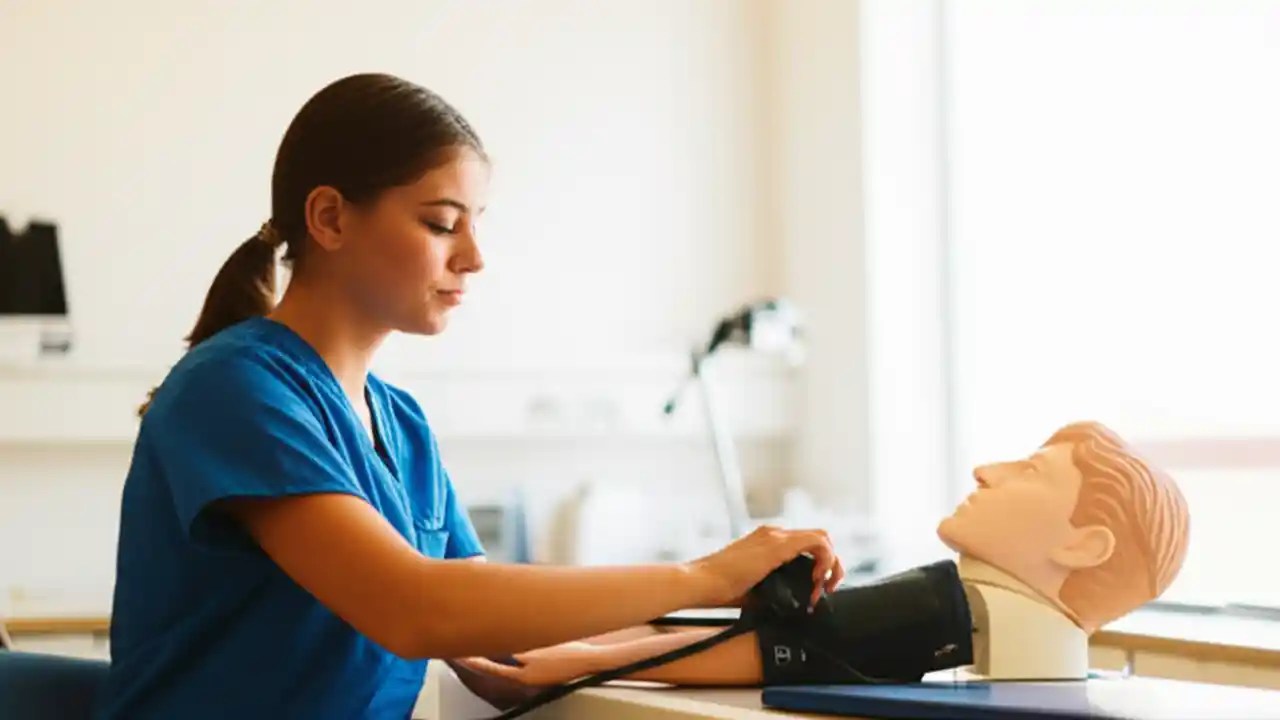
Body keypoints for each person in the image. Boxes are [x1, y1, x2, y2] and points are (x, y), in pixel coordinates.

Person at [97, 73, 843, 719]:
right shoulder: (236, 388)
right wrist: (703, 575)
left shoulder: (402, 425)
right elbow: (417, 608)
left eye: (476, 224)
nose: (475, 257)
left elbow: (503, 642)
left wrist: (740, 610)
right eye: (441, 223)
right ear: (328, 218)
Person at [463, 420, 1190, 688]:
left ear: (1081, 545)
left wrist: (582, 660)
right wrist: (573, 642)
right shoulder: (958, 605)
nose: (987, 472)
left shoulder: (945, 607)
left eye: (1029, 472)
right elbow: (777, 636)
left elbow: (781, 647)